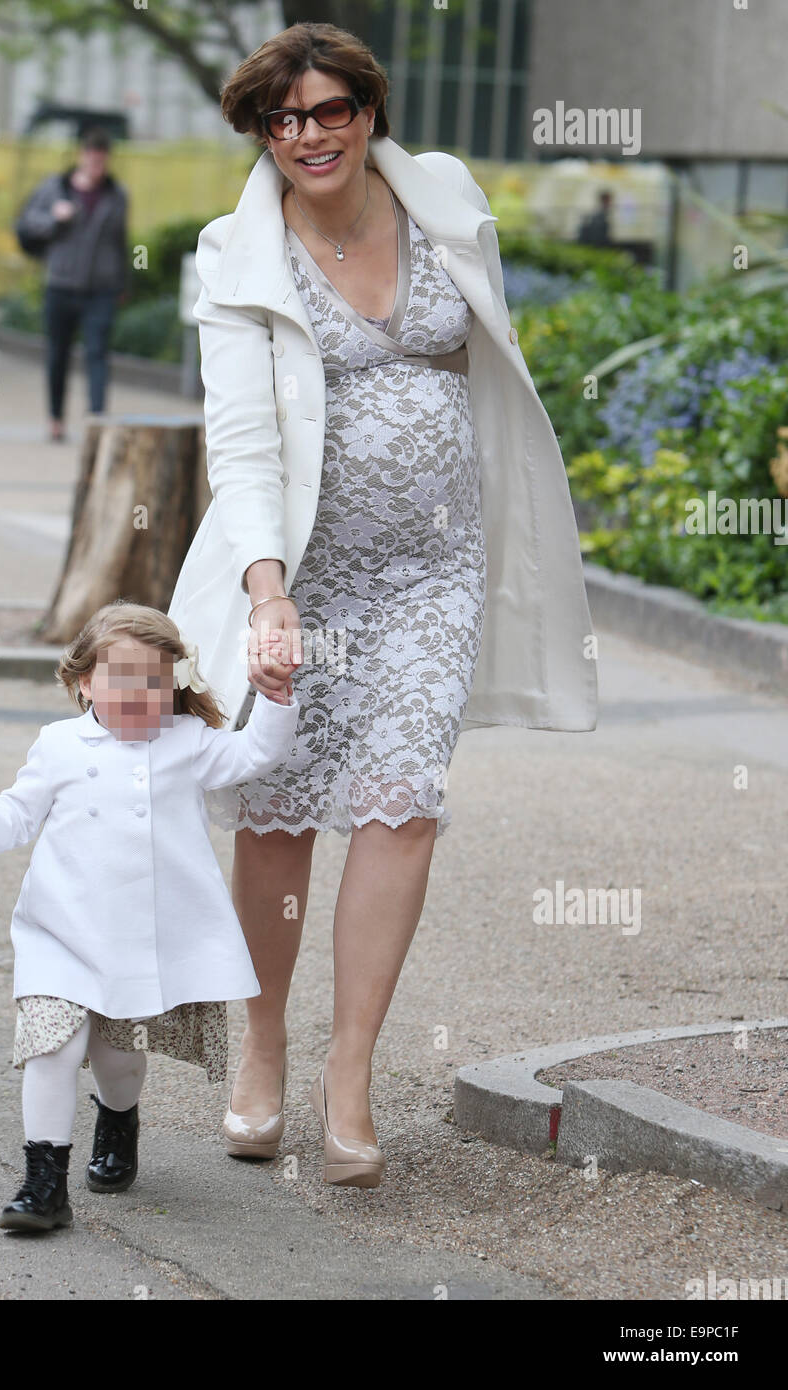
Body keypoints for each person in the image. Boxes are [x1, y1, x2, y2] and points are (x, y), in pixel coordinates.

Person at [167, 22, 597, 1188]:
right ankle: (261, 1046)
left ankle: (347, 1072)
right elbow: (244, 441)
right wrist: (265, 595)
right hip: (304, 578)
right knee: (277, 811)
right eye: (282, 119)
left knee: (401, 800)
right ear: (264, 133)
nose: (308, 135)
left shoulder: (443, 197)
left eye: (328, 109)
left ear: (368, 109)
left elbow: (482, 358)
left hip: (434, 572)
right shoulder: (235, 252)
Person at [0, 601, 298, 1231]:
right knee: (50, 1050)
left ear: (173, 685)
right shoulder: (59, 745)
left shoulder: (187, 743)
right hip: (60, 933)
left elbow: (253, 757)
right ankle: (43, 1185)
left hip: (140, 942)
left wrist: (274, 699)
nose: (137, 695)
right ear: (84, 681)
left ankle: (118, 1119)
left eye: (153, 681)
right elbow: (19, 806)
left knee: (119, 1060)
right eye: (120, 679)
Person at [15, 128, 131, 442]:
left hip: (101, 288)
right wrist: (55, 218)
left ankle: (96, 420)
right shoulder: (55, 189)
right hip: (61, 285)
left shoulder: (116, 195)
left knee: (97, 353)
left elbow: (122, 241)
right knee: (57, 355)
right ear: (82, 157)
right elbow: (27, 223)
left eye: (101, 162)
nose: (96, 168)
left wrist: (123, 281)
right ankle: (55, 418)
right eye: (91, 161)